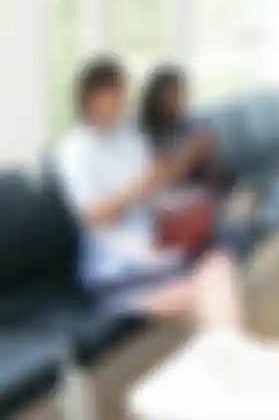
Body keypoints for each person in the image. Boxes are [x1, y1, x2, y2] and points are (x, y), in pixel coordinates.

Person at [54, 55, 243, 328]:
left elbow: (153, 192)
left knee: (219, 264)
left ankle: (230, 347)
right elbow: (94, 216)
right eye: (114, 95)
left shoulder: (130, 137)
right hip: (115, 273)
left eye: (122, 93)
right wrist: (141, 187)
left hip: (154, 252)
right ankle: (232, 347)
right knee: (207, 293)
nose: (122, 102)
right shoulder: (75, 149)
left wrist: (179, 201)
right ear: (90, 99)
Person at [140, 65, 224, 192]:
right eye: (173, 93)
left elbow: (214, 173)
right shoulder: (146, 134)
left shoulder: (186, 125)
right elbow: (162, 179)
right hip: (172, 193)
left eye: (181, 92)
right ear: (158, 97)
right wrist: (191, 154)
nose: (179, 99)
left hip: (200, 189)